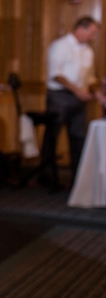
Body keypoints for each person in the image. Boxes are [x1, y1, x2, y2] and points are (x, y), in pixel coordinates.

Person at [39, 17, 105, 190]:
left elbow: (90, 77)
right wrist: (76, 90)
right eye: (92, 33)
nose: (93, 37)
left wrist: (98, 94)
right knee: (52, 136)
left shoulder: (88, 51)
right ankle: (46, 177)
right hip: (59, 96)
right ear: (80, 29)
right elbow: (56, 74)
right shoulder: (60, 46)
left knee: (78, 138)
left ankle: (78, 179)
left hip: (79, 98)